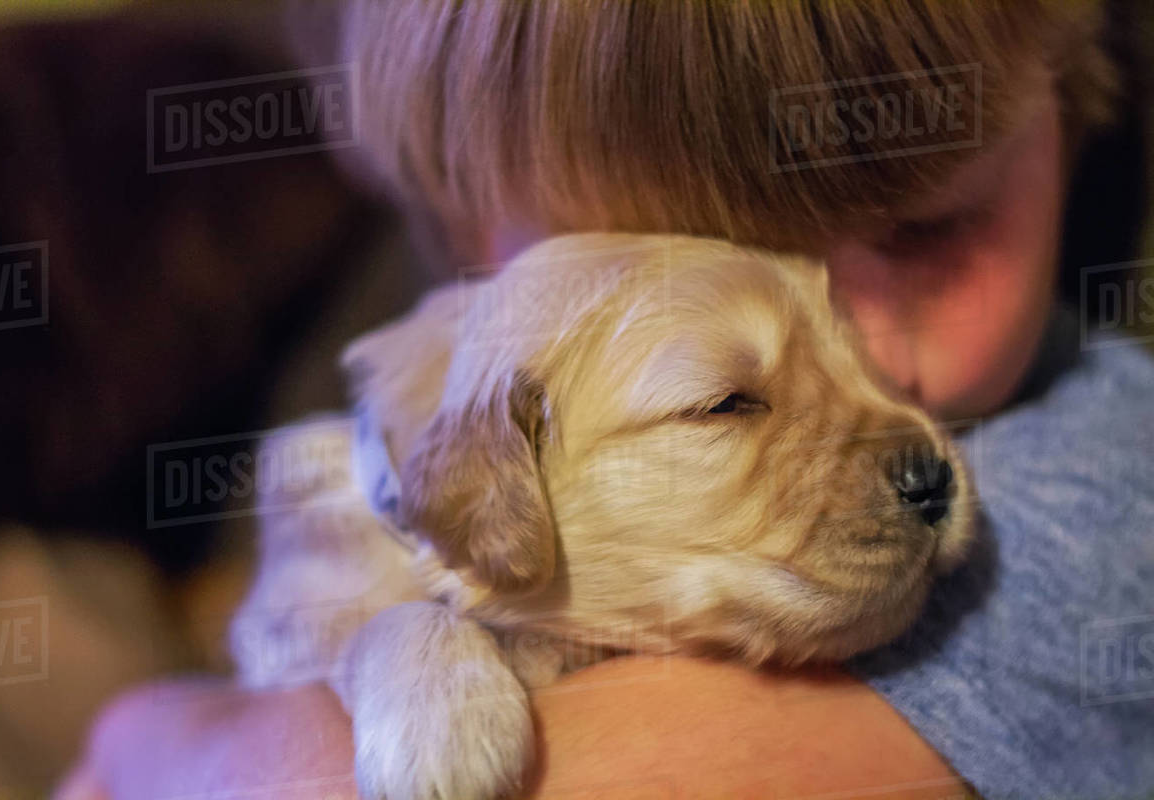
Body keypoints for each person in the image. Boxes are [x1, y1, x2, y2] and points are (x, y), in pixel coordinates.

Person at [60, 1, 1154, 798]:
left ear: (1079, 114)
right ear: (471, 231)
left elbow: (312, 786)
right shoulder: (422, 427)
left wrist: (139, 735)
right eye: (694, 257)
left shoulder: (1106, 489)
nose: (857, 357)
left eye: (928, 228)